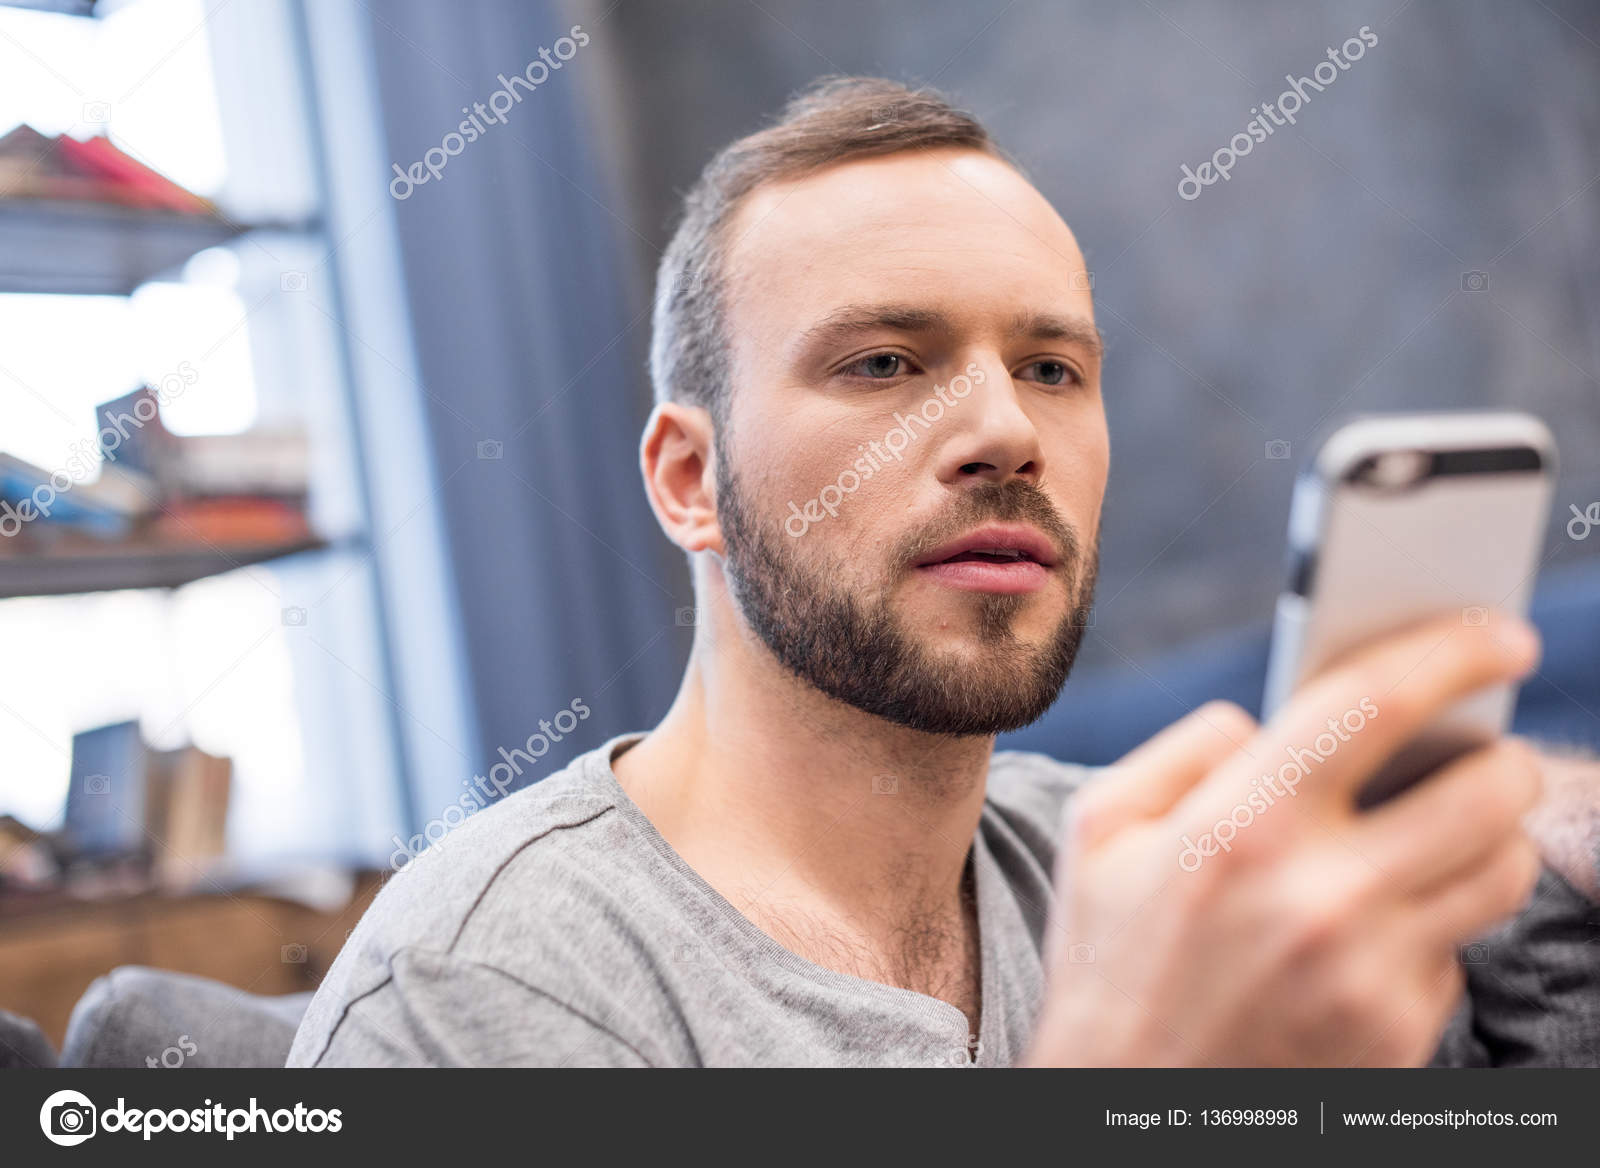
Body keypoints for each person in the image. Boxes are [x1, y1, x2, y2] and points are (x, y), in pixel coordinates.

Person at [289, 77, 1599, 1068]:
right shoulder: (487, 991)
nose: (1004, 432)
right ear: (692, 482)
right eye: (883, 363)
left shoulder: (1113, 857)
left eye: (1050, 369)